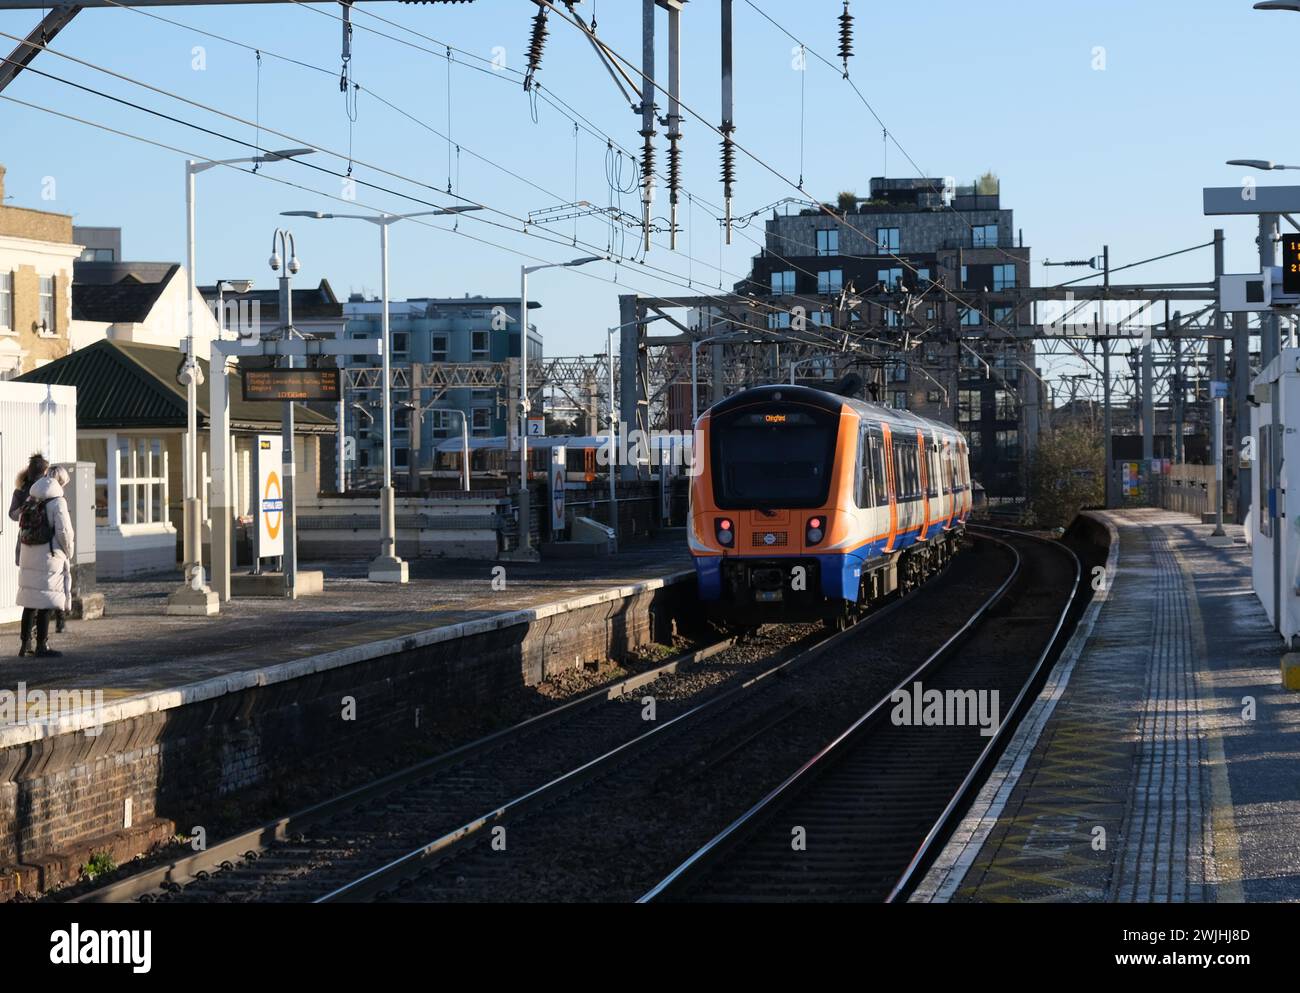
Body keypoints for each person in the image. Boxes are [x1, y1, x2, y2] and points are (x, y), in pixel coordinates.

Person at [15, 462, 74, 658]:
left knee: (30, 601)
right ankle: (42, 645)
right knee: (47, 601)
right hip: (49, 556)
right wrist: (69, 551)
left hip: (29, 554)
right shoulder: (58, 502)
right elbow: (64, 532)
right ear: (61, 482)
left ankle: (25, 645)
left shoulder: (32, 497)